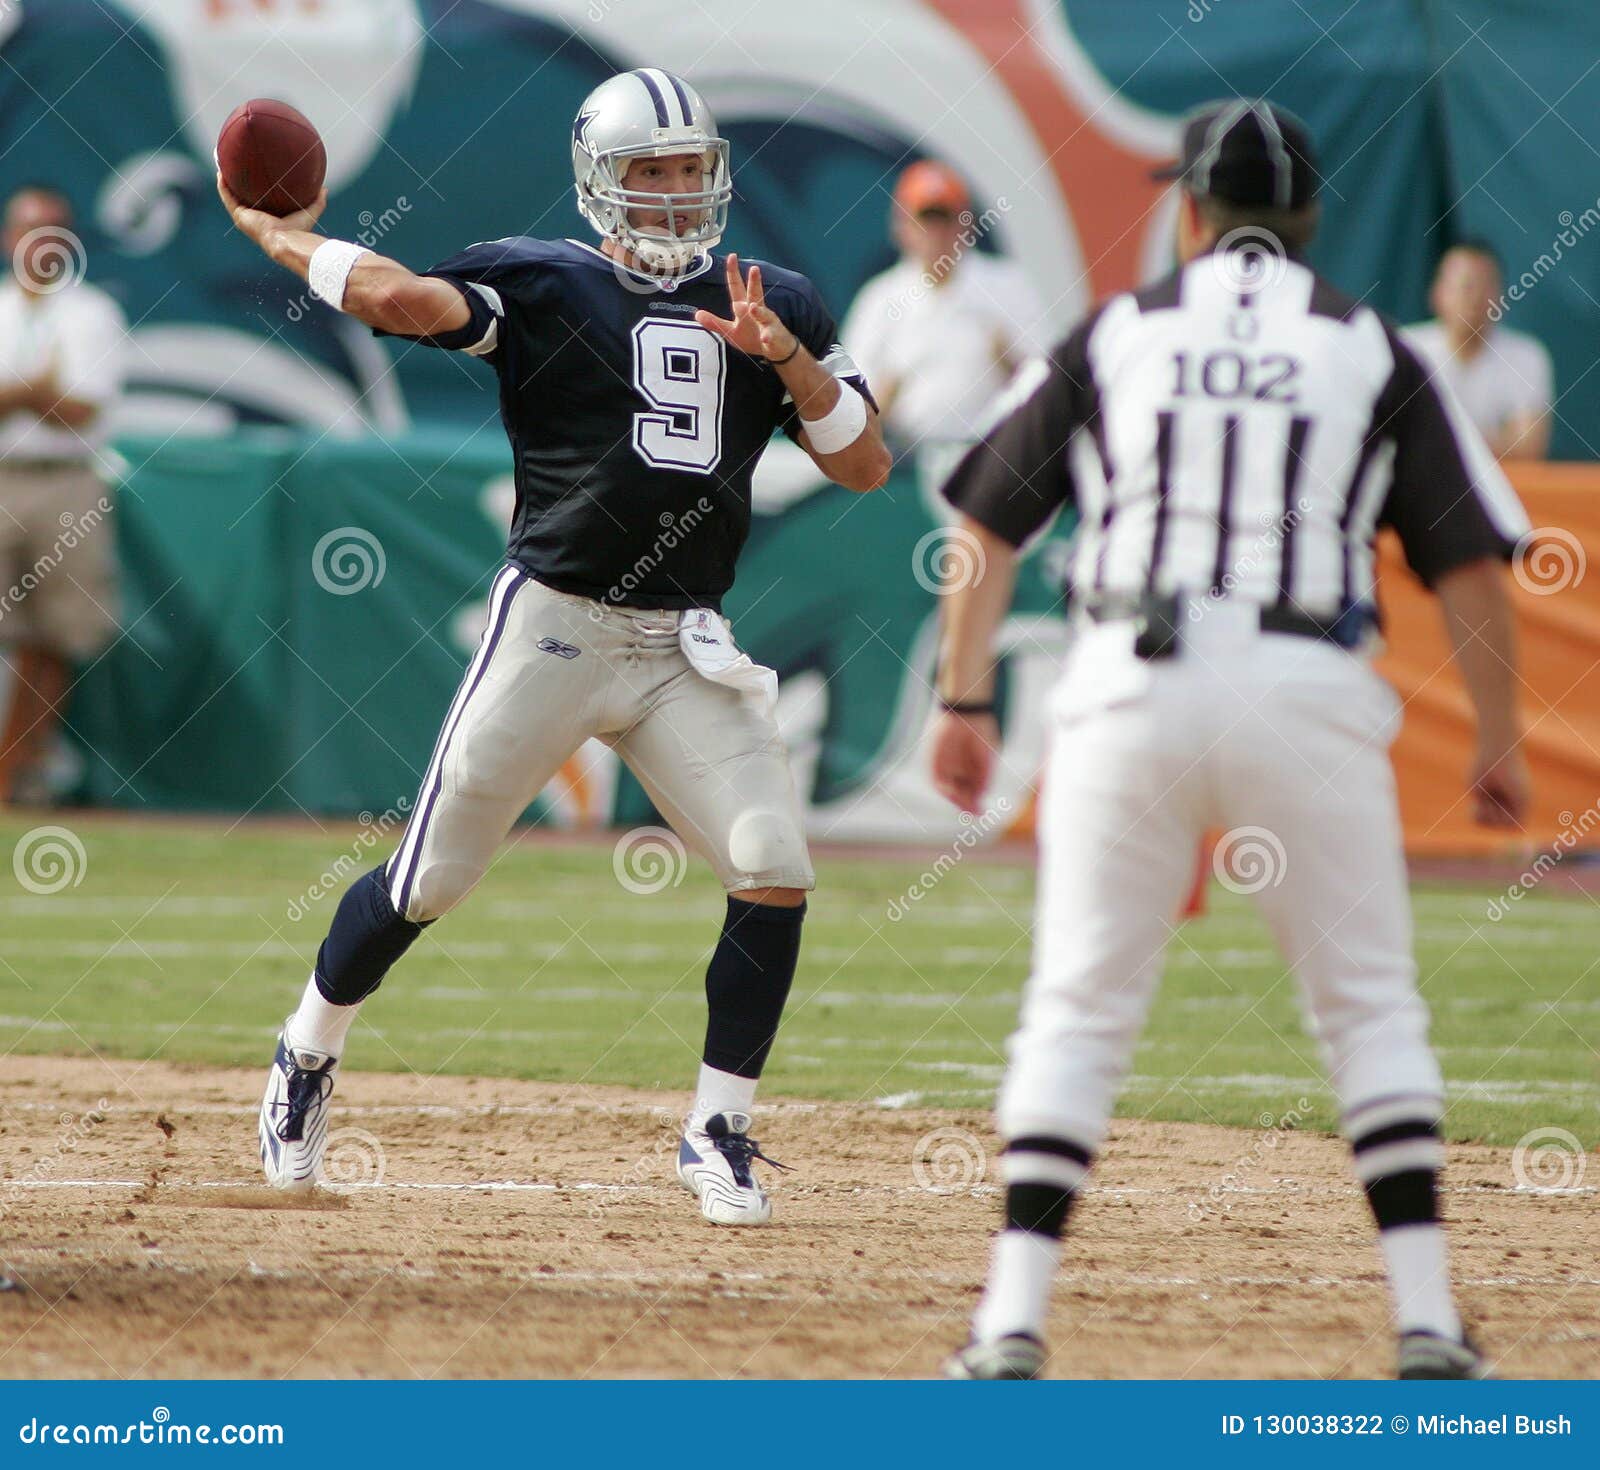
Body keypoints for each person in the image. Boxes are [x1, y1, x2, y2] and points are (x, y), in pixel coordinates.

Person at [218, 67, 889, 1223]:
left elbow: (865, 462)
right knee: (431, 879)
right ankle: (307, 1048)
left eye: (691, 172)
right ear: (599, 184)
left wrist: (785, 357)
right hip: (558, 626)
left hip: (684, 641)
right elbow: (404, 301)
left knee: (774, 866)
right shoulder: (543, 278)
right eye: (653, 174)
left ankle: (716, 1130)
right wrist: (287, 239)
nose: (677, 196)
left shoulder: (769, 295)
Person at [930, 100, 1530, 1380]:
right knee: (1368, 1007)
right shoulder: (1370, 345)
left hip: (1126, 677)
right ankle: (1424, 1318)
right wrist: (1495, 739)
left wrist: (963, 699)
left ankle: (1008, 1321)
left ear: (1188, 212)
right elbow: (1473, 561)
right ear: (1306, 219)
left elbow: (984, 517)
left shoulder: (1121, 329)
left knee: (1078, 1007)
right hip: (1305, 678)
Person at [0, 185, 125, 805]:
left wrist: (16, 395)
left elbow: (81, 408)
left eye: (52, 228)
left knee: (55, 636)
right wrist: (35, 391)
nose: (38, 241)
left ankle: (17, 769)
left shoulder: (91, 313)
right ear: (8, 237)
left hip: (66, 482)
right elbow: (54, 399)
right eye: (28, 228)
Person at [841, 160, 1043, 506]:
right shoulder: (880, 299)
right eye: (925, 219)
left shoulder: (1006, 287)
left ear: (966, 226)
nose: (935, 233)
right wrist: (882, 397)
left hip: (995, 463)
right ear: (902, 227)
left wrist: (1012, 362)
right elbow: (848, 410)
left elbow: (1049, 384)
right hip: (906, 469)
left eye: (945, 219)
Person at [1404, 241, 1553, 460]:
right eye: (1466, 286)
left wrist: (1438, 443)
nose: (1476, 298)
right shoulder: (1408, 348)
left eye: (1487, 286)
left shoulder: (1527, 356)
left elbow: (1528, 448)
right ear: (1438, 293)